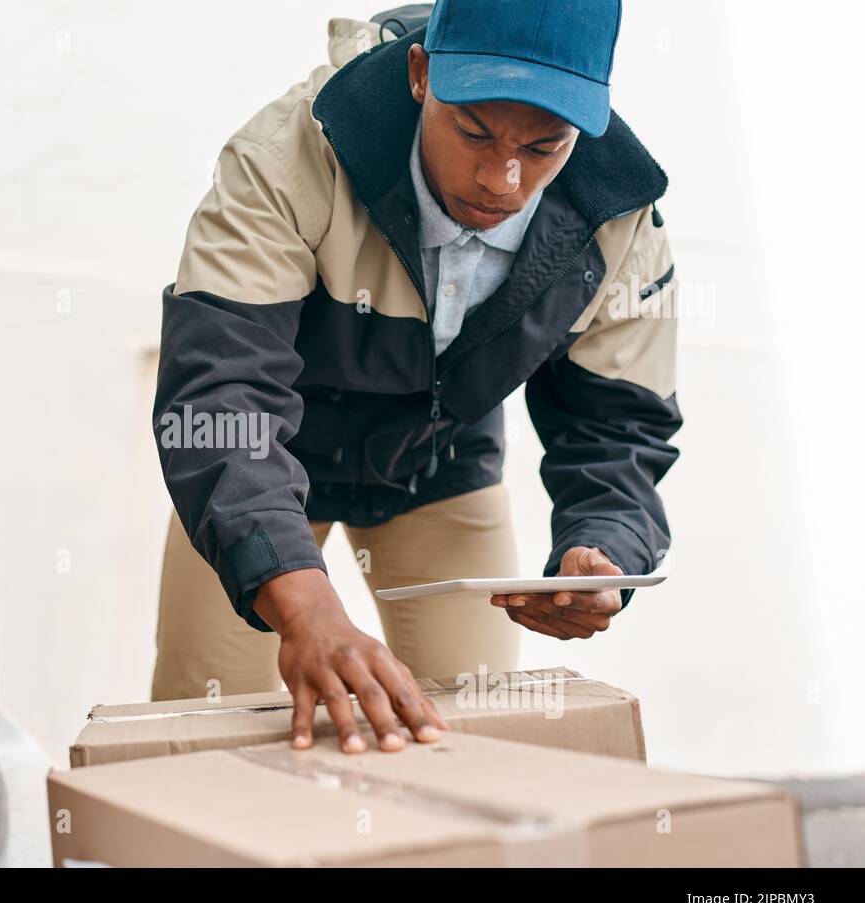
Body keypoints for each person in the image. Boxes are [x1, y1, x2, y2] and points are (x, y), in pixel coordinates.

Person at [151, 0, 680, 753]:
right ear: (422, 73)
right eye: (475, 133)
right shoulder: (287, 155)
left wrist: (604, 550)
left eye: (544, 147)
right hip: (261, 466)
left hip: (439, 467)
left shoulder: (620, 218)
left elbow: (620, 424)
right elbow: (218, 396)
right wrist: (302, 602)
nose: (502, 180)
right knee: (202, 740)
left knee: (470, 735)